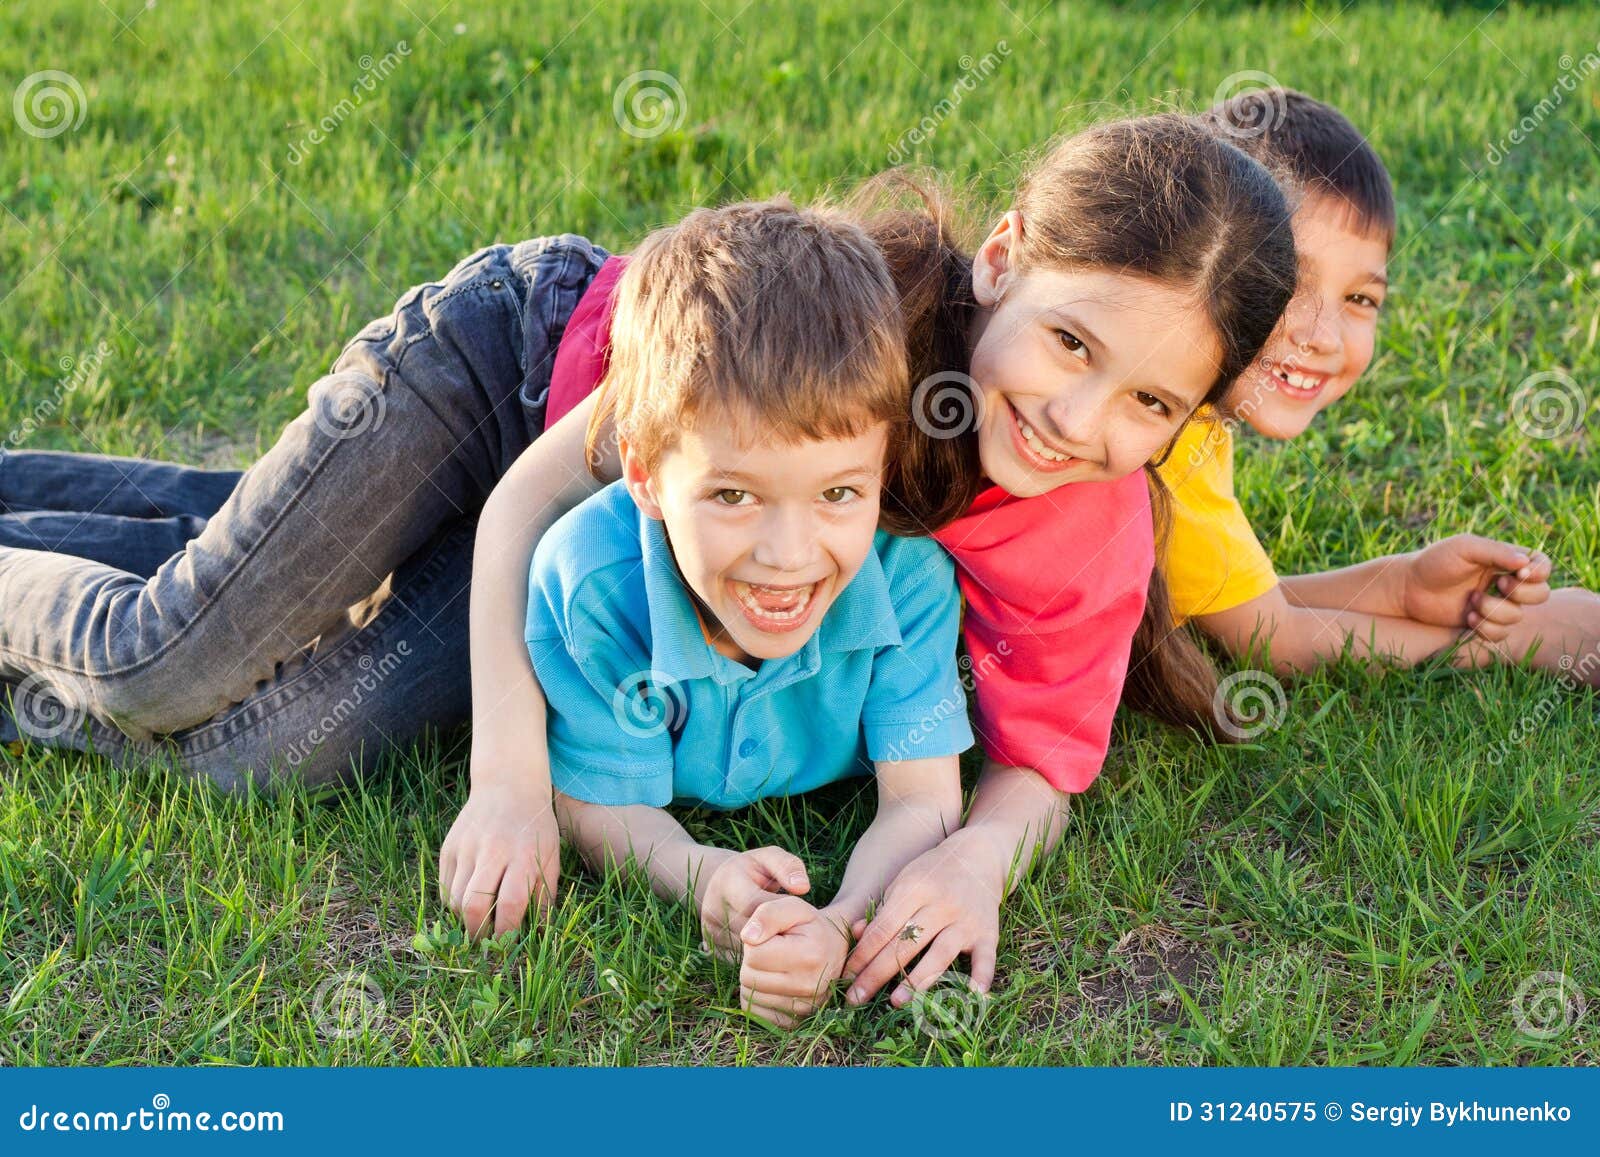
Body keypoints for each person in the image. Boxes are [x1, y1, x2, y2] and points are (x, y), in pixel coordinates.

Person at [445, 112, 1300, 1015]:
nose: (1078, 421)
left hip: (664, 551)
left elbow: (1041, 754)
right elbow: (529, 503)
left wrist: (969, 861)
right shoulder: (855, 319)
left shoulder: (1080, 538)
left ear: (1193, 421)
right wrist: (506, 781)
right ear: (1002, 261)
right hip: (527, 346)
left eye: (1151, 399)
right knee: (295, 723)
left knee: (355, 722)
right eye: (1072, 343)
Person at [529, 199, 971, 1027]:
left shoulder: (908, 577)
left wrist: (839, 924)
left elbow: (924, 800)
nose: (789, 554)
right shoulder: (594, 586)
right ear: (648, 476)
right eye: (734, 494)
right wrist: (697, 871)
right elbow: (596, 799)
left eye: (839, 492)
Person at [1160, 88, 1600, 684]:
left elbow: (1220, 603)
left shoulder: (1194, 417)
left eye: (1360, 299)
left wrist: (1401, 586)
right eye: (1290, 280)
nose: (1323, 336)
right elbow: (1275, 642)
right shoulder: (1162, 442)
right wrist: (1530, 639)